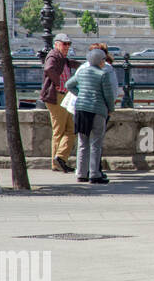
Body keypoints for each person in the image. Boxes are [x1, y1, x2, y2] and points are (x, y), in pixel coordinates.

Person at [64, 46, 116, 184]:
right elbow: (108, 94)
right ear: (100, 61)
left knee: (82, 142)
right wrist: (111, 108)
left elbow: (68, 85)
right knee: (96, 143)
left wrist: (80, 94)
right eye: (103, 60)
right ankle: (94, 174)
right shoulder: (103, 74)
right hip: (97, 110)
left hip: (81, 110)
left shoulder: (82, 72)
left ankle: (81, 173)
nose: (104, 62)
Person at [41, 32, 76, 173]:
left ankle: (60, 158)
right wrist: (58, 83)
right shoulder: (54, 55)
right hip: (57, 97)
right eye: (64, 43)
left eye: (68, 44)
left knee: (71, 129)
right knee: (59, 131)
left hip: (63, 96)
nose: (67, 46)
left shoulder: (62, 57)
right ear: (56, 44)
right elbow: (48, 68)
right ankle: (57, 162)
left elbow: (69, 64)